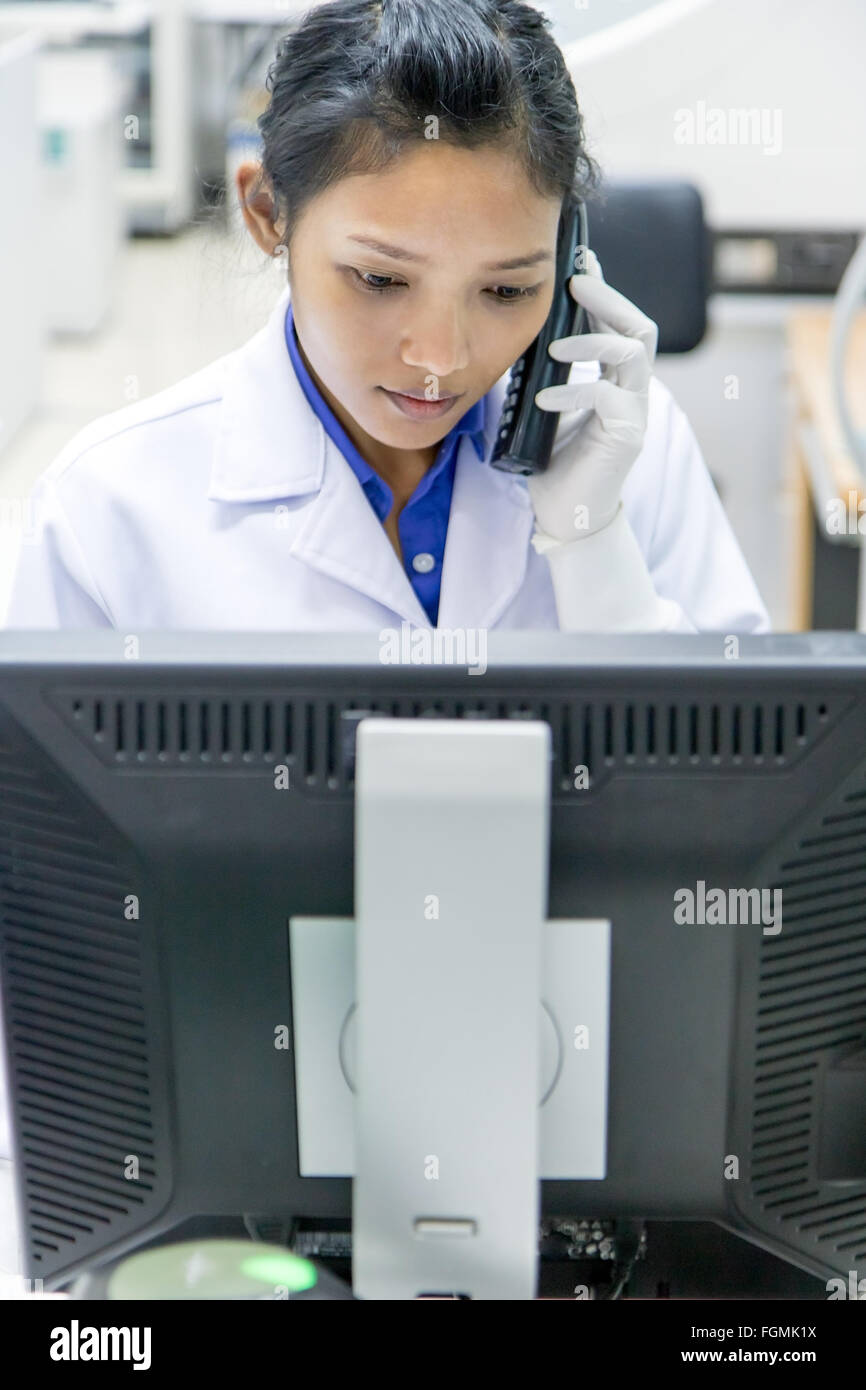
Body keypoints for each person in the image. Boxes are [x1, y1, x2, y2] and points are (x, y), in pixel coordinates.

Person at [3, 0, 770, 635]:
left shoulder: (637, 452)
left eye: (506, 291)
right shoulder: (106, 508)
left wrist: (592, 544)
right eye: (380, 279)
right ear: (268, 213)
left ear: (567, 260)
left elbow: (736, 797)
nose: (439, 356)